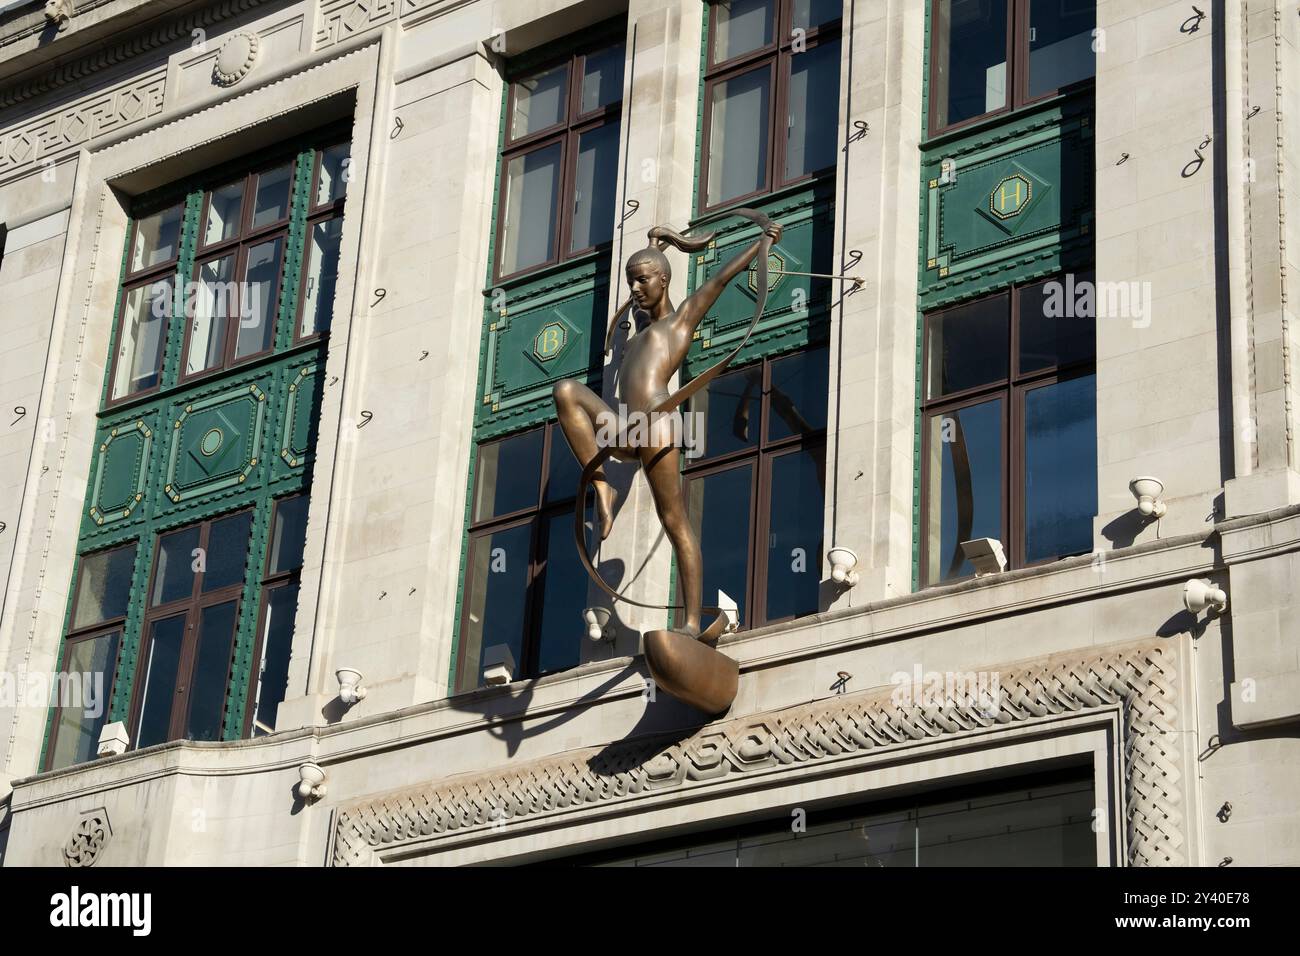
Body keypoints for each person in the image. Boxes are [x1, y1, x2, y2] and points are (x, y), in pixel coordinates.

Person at [553, 217, 783, 639]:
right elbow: (631, 316)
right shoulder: (638, 335)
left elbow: (718, 280)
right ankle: (603, 487)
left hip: (658, 422)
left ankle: (693, 622)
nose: (635, 289)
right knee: (566, 390)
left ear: (662, 279)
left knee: (674, 520)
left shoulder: (679, 323)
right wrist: (658, 240)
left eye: (642, 280)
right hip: (626, 429)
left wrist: (761, 244)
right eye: (631, 282)